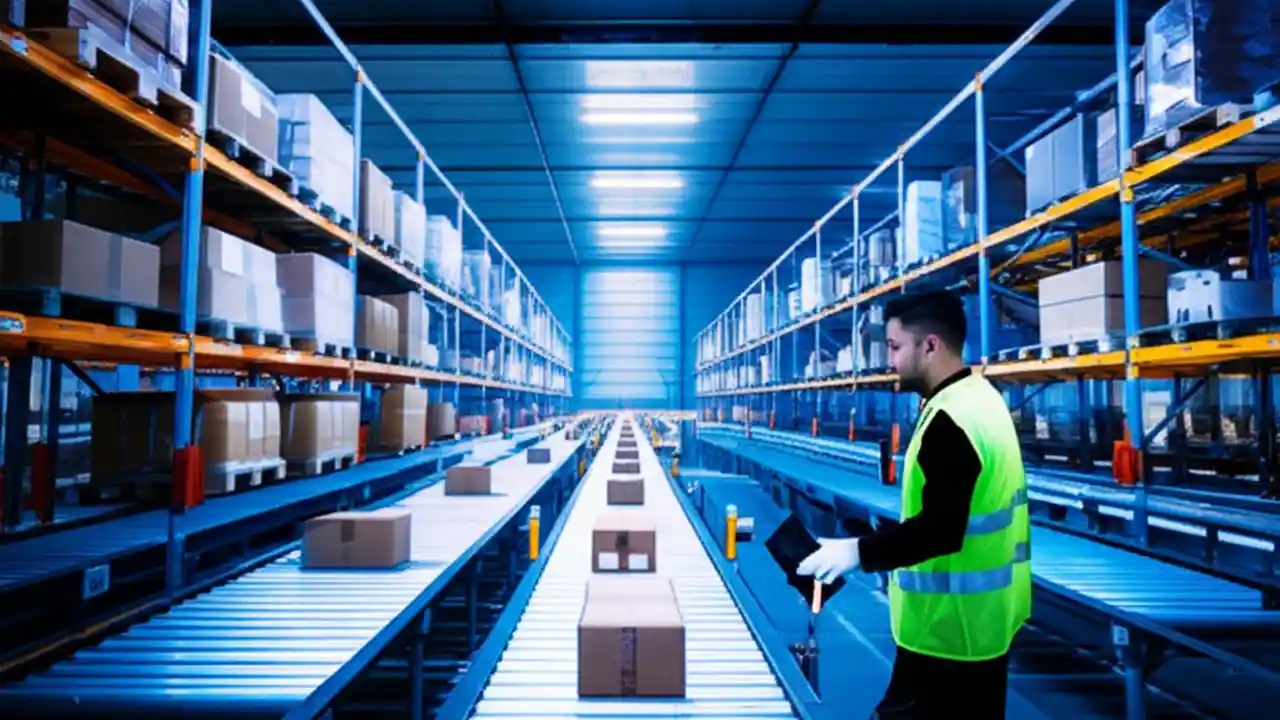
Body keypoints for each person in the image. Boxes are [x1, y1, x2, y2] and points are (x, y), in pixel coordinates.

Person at [797, 289, 1031, 719]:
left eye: (894, 347)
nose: (890, 360)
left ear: (930, 346)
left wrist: (857, 551)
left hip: (946, 632)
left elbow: (942, 529)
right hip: (985, 627)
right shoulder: (982, 399)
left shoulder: (950, 421)